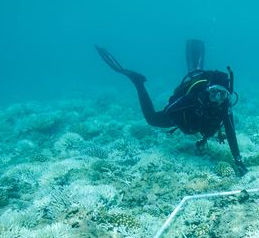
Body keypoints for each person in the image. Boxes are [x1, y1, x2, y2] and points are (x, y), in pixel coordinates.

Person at [95, 40, 247, 175]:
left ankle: (195, 64)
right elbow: (169, 109)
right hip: (183, 117)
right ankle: (138, 82)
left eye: (222, 94)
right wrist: (187, 119)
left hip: (197, 125)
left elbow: (230, 132)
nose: (217, 99)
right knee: (151, 119)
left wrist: (238, 160)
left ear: (228, 95)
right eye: (214, 93)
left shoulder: (225, 106)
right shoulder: (196, 97)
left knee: (194, 73)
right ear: (208, 90)